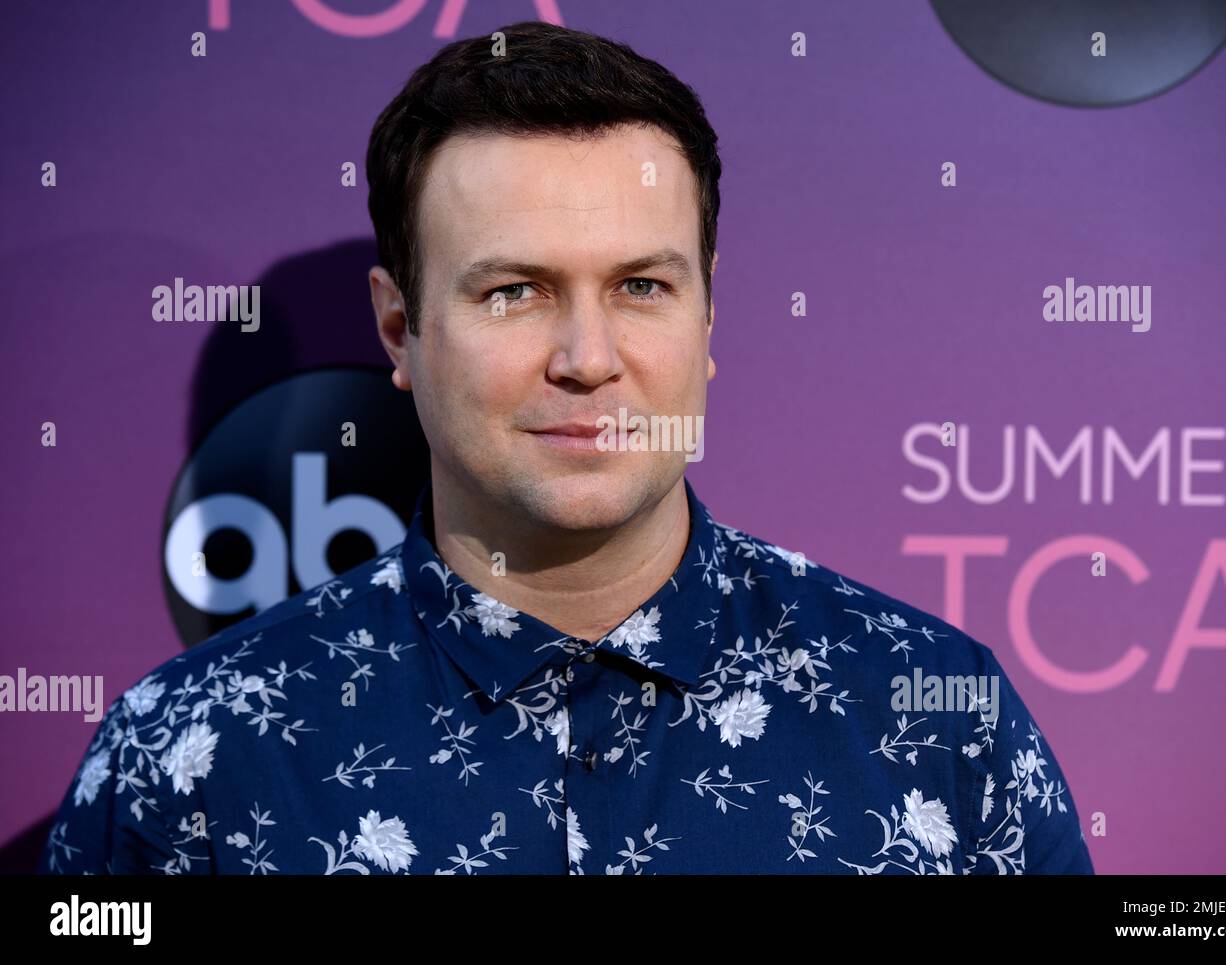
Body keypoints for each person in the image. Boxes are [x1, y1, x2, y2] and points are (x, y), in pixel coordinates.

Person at [38, 20, 1093, 875]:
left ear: (709, 317)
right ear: (401, 329)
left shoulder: (935, 711)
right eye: (514, 291)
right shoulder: (190, 757)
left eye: (642, 286)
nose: (588, 359)